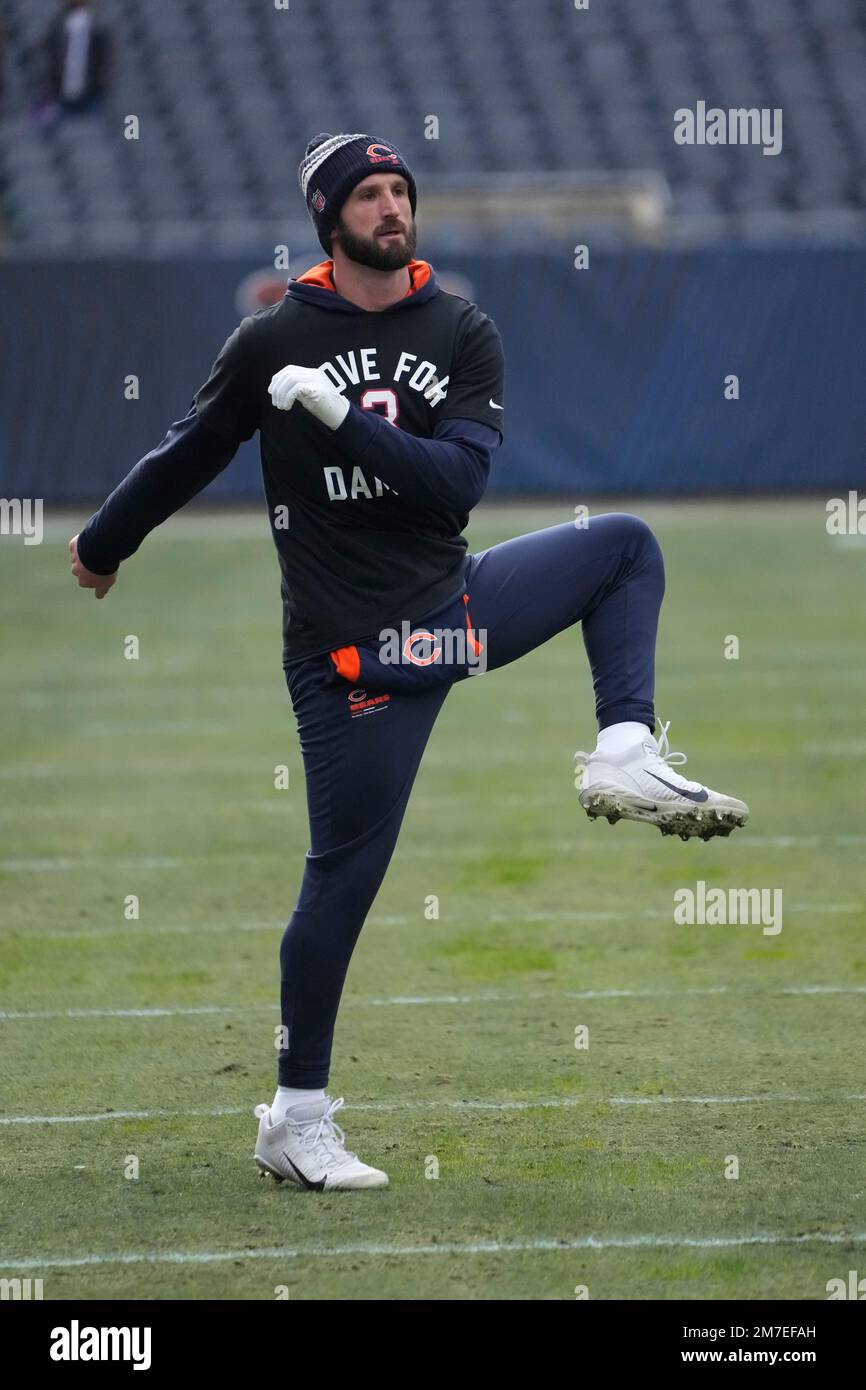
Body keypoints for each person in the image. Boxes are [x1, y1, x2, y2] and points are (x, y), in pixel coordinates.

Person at [69, 132, 749, 1193]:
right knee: (343, 879)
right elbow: (189, 447)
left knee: (621, 546)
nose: (391, 207)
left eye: (400, 190)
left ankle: (621, 746)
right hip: (355, 648)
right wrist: (104, 541)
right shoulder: (272, 337)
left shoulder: (460, 327)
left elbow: (452, 490)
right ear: (328, 220)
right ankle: (294, 1118)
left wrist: (335, 413)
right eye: (369, 194)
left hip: (451, 606)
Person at [41, 0, 112, 117]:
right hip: (61, 95)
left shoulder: (96, 26)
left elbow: (103, 56)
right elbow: (52, 57)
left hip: (91, 94)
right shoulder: (57, 26)